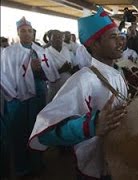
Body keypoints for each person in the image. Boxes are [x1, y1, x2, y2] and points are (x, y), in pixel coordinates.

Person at [28, 7, 128, 179]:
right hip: (93, 169)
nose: (120, 42)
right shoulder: (84, 80)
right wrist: (91, 125)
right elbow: (44, 132)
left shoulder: (117, 73)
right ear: (94, 44)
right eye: (113, 37)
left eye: (120, 36)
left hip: (117, 163)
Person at [1, 16, 58, 178]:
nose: (27, 34)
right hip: (18, 98)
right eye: (23, 31)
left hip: (38, 95)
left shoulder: (40, 50)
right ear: (18, 33)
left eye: (29, 31)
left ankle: (37, 162)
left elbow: (50, 74)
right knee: (19, 133)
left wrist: (40, 71)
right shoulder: (9, 52)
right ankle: (22, 167)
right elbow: (5, 76)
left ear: (33, 33)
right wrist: (28, 70)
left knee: (36, 130)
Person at [45, 30, 74, 101]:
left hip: (69, 86)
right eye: (55, 37)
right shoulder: (46, 53)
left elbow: (73, 65)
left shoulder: (66, 50)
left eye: (60, 37)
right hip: (55, 88)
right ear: (50, 40)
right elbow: (47, 74)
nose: (58, 39)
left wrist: (72, 69)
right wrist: (61, 70)